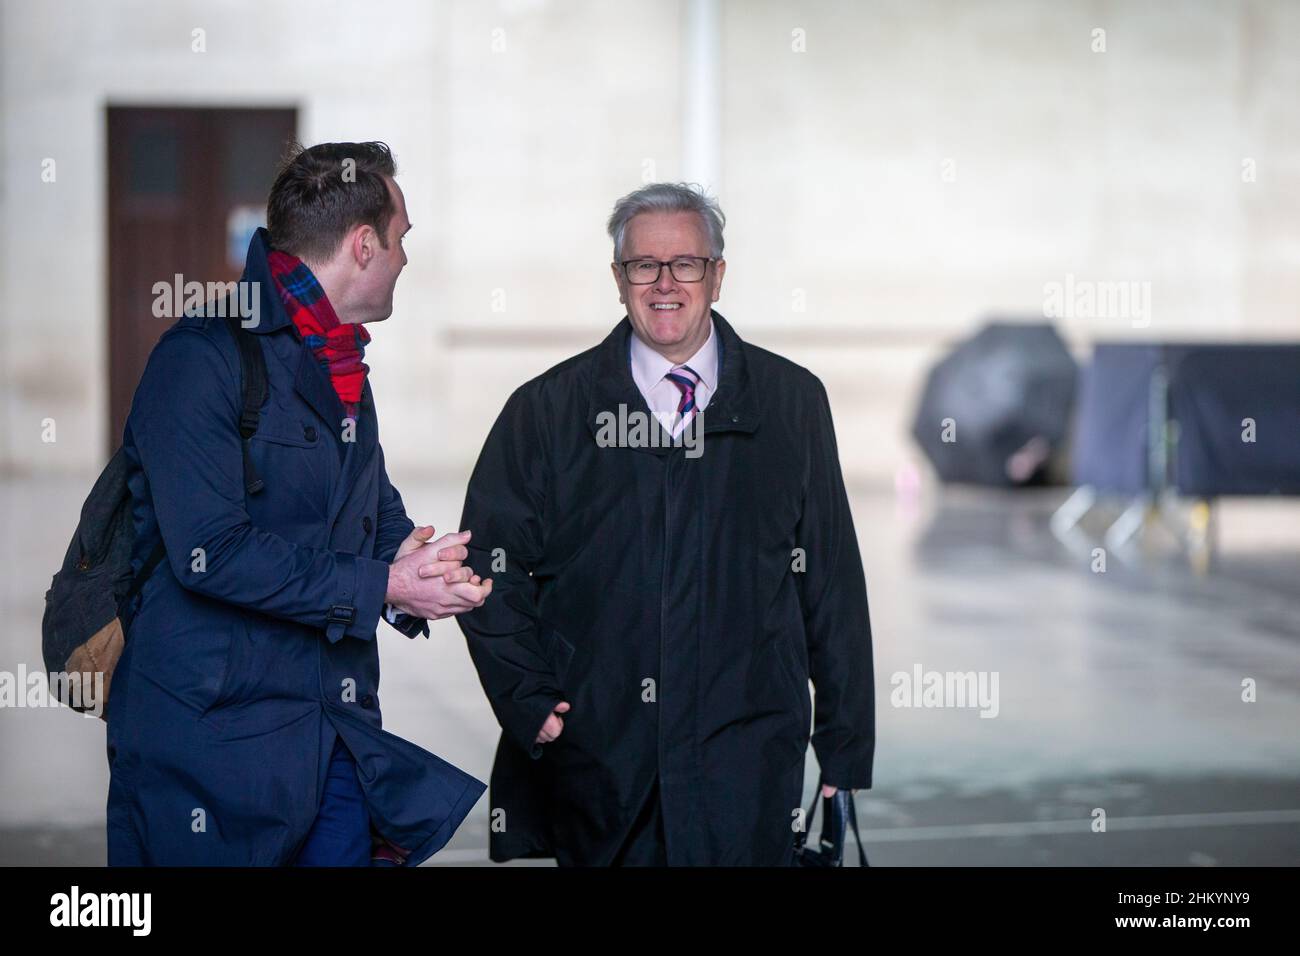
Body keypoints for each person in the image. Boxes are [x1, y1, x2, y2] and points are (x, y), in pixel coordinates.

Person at [455, 182, 875, 865]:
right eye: (643, 266)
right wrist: (531, 701)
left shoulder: (791, 402)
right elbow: (486, 567)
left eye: (686, 264)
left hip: (747, 758)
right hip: (601, 755)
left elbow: (829, 581)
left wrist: (845, 745)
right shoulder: (548, 411)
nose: (664, 284)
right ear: (619, 279)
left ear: (717, 275)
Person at [107, 141, 491, 866]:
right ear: (364, 244)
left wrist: (413, 566)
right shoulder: (200, 357)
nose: (408, 256)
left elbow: (370, 512)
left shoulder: (345, 363)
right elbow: (210, 553)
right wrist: (381, 583)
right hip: (211, 754)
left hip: (334, 731)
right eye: (402, 238)